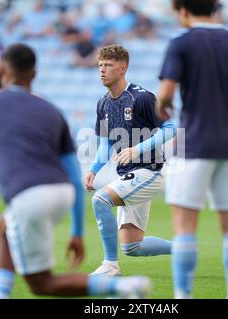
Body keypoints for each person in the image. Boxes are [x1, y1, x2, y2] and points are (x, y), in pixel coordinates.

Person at [0, 44, 151, 299]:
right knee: (3, 229)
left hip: (29, 195)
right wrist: (77, 232)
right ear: (34, 74)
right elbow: (72, 175)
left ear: (2, 70)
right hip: (61, 193)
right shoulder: (51, 110)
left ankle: (123, 287)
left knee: (42, 284)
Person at [156, 0, 228, 299]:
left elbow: (165, 93)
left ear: (183, 11)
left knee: (184, 227)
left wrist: (161, 106)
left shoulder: (181, 43)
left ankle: (183, 296)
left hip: (192, 148)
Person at [84, 45, 176, 277]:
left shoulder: (141, 98)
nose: (102, 70)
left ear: (123, 68)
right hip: (129, 174)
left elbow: (171, 127)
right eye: (100, 65)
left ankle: (110, 266)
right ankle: (183, 249)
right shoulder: (103, 103)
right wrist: (94, 169)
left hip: (150, 171)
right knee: (133, 247)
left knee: (100, 200)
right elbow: (106, 142)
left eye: (108, 65)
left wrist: (137, 149)